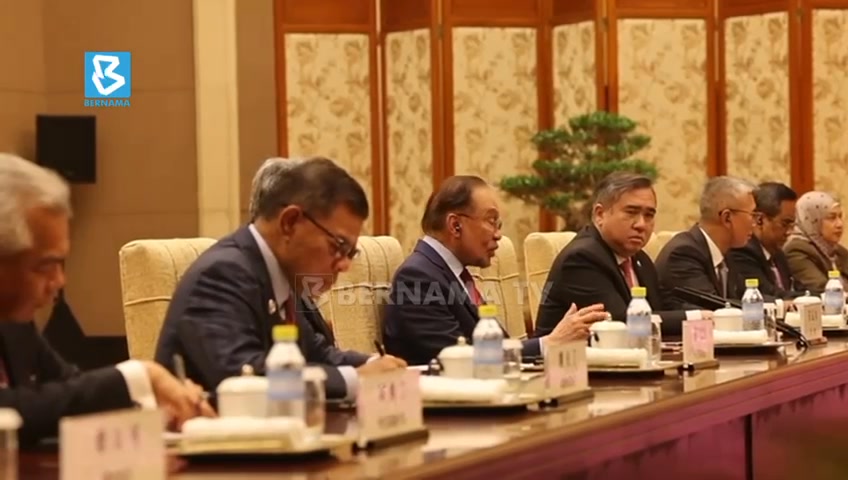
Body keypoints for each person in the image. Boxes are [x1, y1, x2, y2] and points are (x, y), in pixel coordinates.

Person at [0, 153, 213, 446]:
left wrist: (158, 411)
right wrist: (140, 376)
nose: (59, 282)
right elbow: (9, 408)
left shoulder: (14, 323)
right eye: (45, 265)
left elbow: (67, 390)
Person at [155, 157, 406, 400]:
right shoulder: (223, 274)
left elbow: (316, 355)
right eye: (339, 246)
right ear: (289, 222)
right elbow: (246, 380)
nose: (345, 264)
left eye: (351, 252)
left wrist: (375, 364)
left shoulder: (279, 275)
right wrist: (356, 378)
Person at [383, 175, 608, 366]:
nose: (498, 234)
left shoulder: (452, 273)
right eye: (491, 221)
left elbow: (495, 347)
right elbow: (460, 362)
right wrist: (548, 344)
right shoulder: (417, 278)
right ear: (455, 225)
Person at [533, 173, 707, 339]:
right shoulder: (582, 258)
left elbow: (662, 309)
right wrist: (698, 317)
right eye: (631, 212)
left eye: (649, 215)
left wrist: (716, 313)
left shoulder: (640, 260)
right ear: (600, 214)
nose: (641, 224)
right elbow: (621, 323)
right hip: (562, 364)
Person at [655, 176, 757, 309]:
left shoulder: (725, 254)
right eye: (753, 215)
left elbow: (744, 297)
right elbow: (713, 309)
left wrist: (783, 304)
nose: (755, 224)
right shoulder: (683, 254)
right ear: (727, 218)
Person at [726, 182, 805, 298]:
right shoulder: (742, 251)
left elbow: (799, 288)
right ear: (759, 220)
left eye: (792, 225)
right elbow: (767, 293)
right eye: (785, 224)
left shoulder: (777, 253)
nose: (790, 232)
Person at [783, 191, 848, 293]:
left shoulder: (837, 250)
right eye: (832, 218)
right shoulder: (796, 250)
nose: (839, 224)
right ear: (813, 220)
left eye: (840, 216)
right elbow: (824, 290)